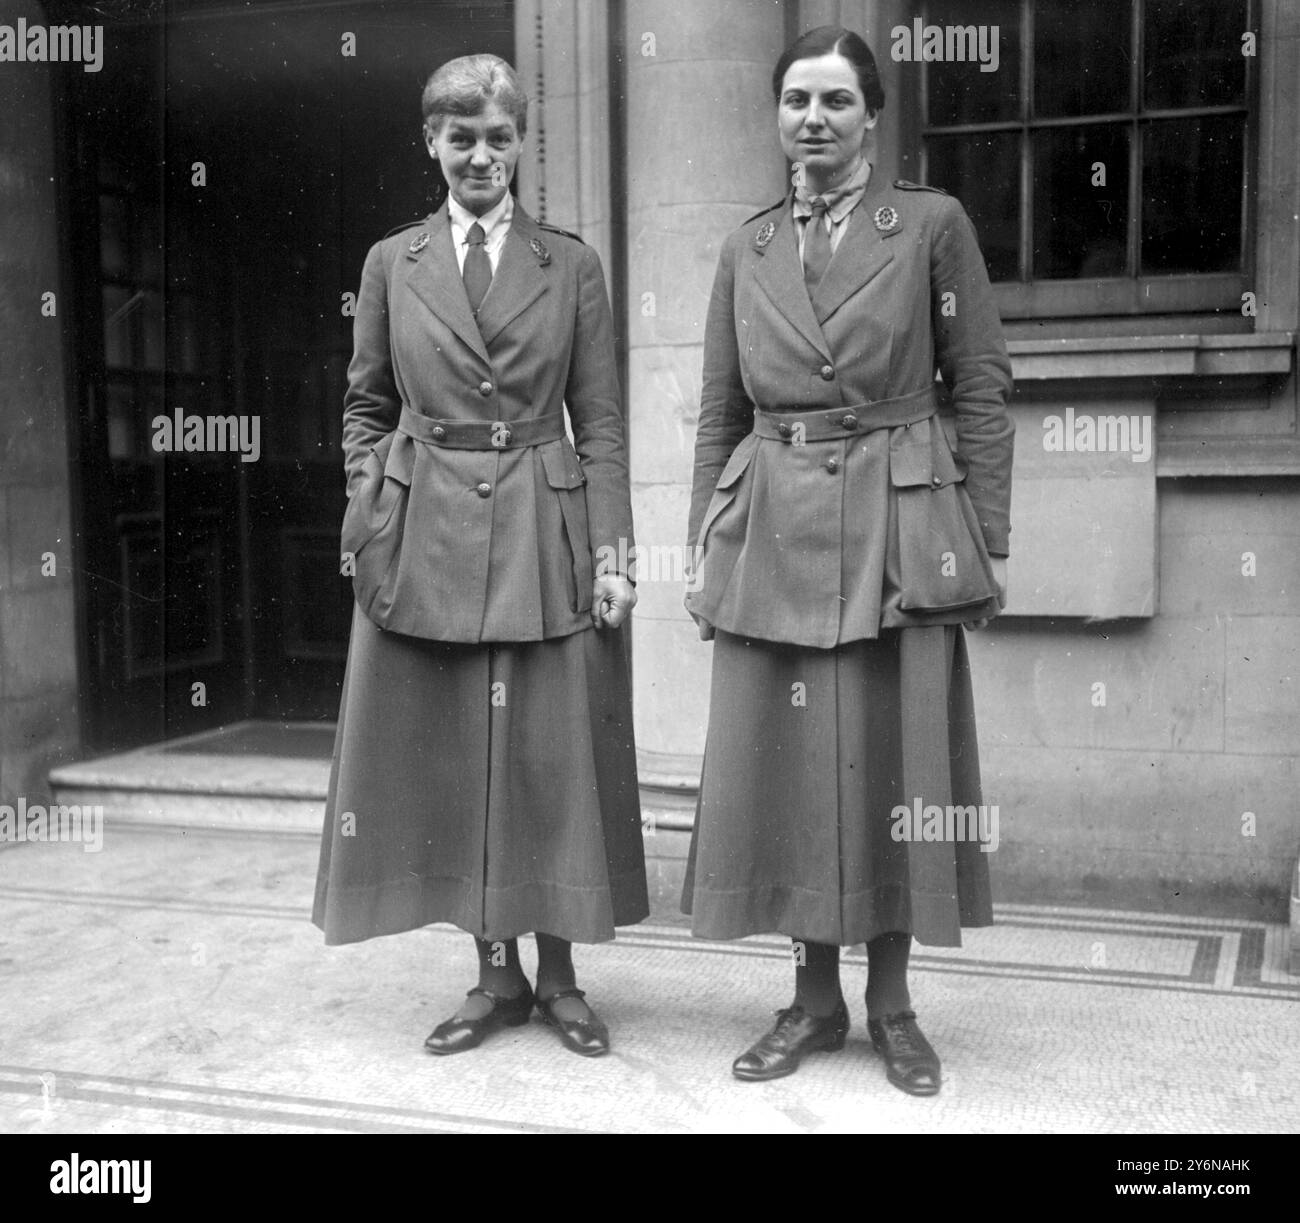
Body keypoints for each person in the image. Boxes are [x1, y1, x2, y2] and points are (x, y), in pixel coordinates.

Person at [682, 26, 1014, 1096]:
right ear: (775, 117)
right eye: (794, 101)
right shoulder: (748, 247)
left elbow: (982, 384)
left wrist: (979, 538)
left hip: (898, 519)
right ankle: (812, 999)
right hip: (772, 520)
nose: (811, 120)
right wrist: (704, 546)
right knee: (791, 766)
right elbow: (718, 412)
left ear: (873, 115)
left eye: (833, 101)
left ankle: (893, 1005)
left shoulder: (929, 226)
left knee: (895, 757)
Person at [313, 53, 647, 1059]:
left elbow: (601, 422)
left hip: (543, 530)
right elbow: (367, 405)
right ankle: (492, 974)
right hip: (429, 535)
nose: (481, 156)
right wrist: (373, 509)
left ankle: (561, 973)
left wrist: (611, 553)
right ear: (431, 143)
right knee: (464, 756)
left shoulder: (570, 265)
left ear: (520, 144)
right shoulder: (392, 263)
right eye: (461, 136)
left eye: (499, 136)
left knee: (548, 754)